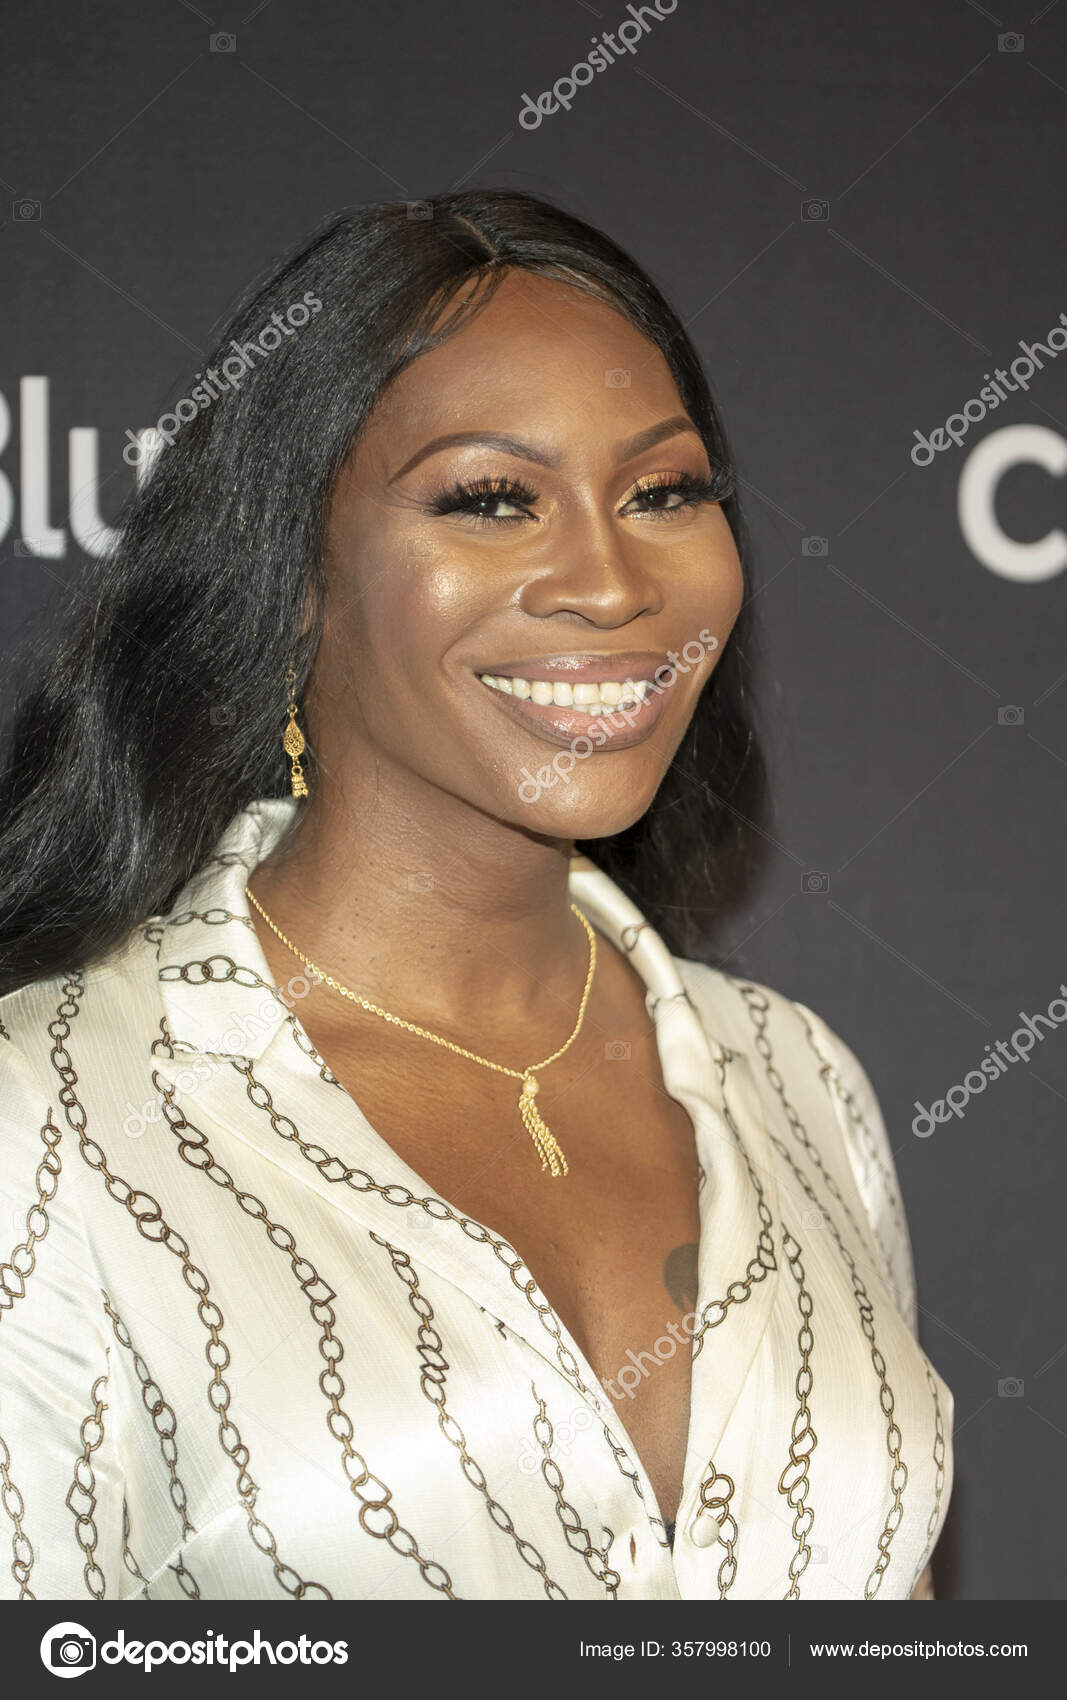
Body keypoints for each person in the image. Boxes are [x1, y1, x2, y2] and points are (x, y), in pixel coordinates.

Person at [0, 189, 951, 1601]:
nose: (610, 580)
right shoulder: (51, 1120)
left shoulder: (803, 1084)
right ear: (293, 578)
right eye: (491, 499)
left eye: (664, 491)